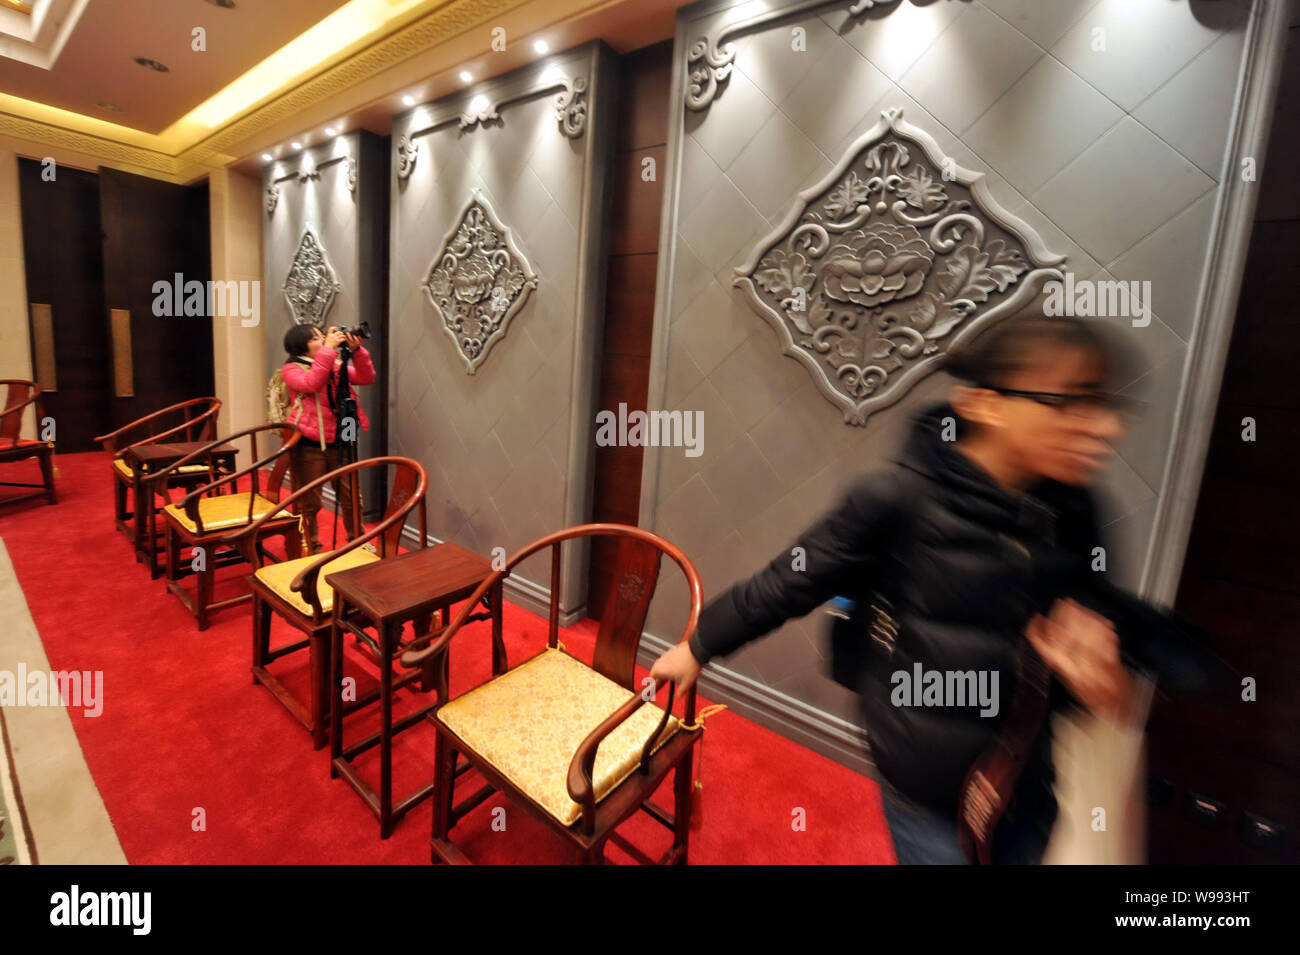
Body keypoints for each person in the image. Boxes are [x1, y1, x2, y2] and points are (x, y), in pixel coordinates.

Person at [650, 313, 1229, 864]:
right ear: (985, 404)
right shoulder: (898, 497)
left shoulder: (1072, 504)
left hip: (1026, 776)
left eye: (1106, 404)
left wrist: (1141, 666)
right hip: (927, 782)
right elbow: (791, 579)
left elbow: (1094, 611)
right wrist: (698, 645)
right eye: (1069, 402)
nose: (1105, 426)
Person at [280, 323, 375, 553]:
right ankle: (309, 545)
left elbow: (365, 377)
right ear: (301, 346)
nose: (324, 340)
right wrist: (329, 351)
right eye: (316, 338)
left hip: (345, 432)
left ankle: (357, 542)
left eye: (323, 336)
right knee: (309, 499)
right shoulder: (292, 368)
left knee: (352, 495)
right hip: (311, 441)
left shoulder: (334, 363)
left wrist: (358, 352)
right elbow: (311, 383)